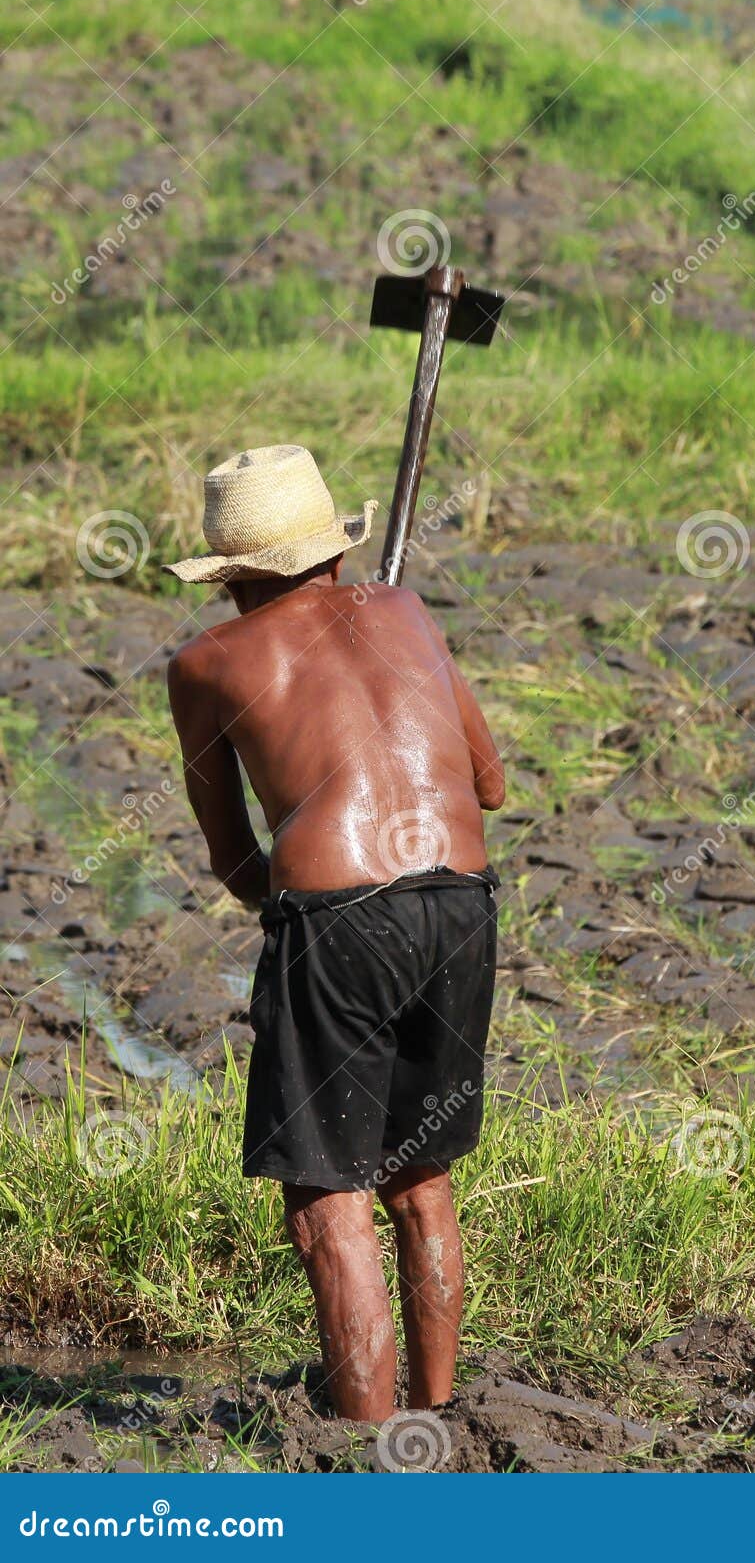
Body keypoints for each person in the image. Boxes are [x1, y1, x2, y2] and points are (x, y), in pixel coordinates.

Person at [163, 443, 504, 1423]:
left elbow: (236, 859)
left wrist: (310, 905)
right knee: (420, 1176)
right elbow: (488, 785)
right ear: (333, 552)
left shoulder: (205, 663)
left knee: (328, 1203)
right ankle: (431, 1425)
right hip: (459, 901)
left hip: (336, 918)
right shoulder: (403, 610)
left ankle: (363, 1462)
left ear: (228, 577)